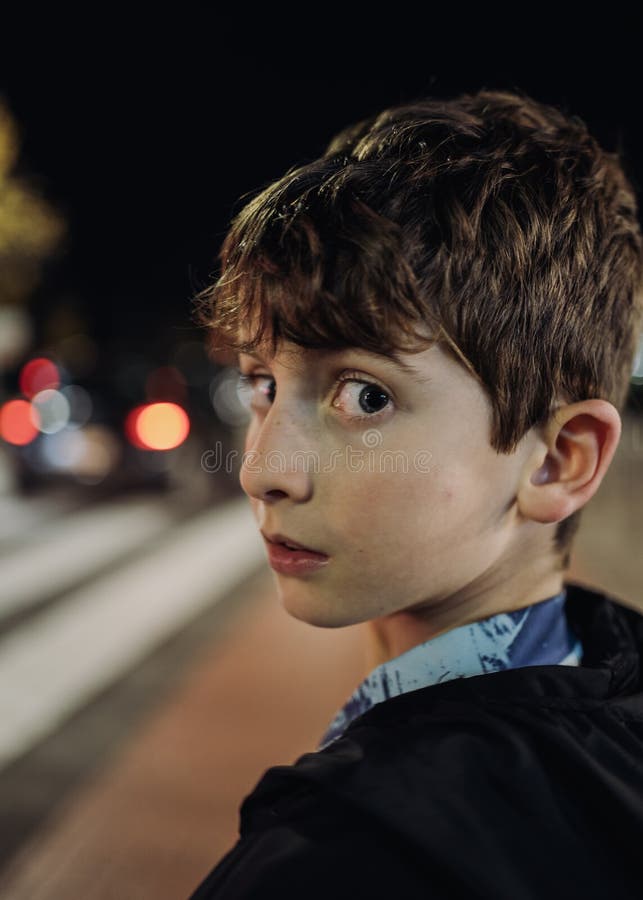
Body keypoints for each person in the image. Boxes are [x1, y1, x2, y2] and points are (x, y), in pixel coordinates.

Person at [187, 88, 643, 898]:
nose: (263, 471)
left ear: (557, 461)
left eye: (364, 395)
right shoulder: (609, 701)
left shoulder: (349, 856)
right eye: (262, 382)